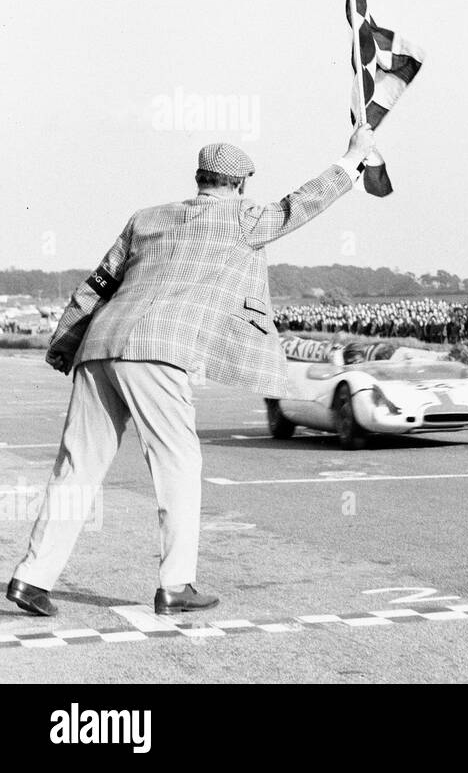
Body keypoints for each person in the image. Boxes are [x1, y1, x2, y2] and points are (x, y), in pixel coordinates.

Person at [7, 126, 376, 619]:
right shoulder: (244, 218)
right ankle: (176, 585)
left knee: (75, 470)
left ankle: (31, 579)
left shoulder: (146, 218)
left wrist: (64, 343)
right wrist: (352, 159)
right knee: (178, 465)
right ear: (240, 184)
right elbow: (302, 203)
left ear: (199, 178)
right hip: (160, 350)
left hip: (99, 345)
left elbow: (96, 282)